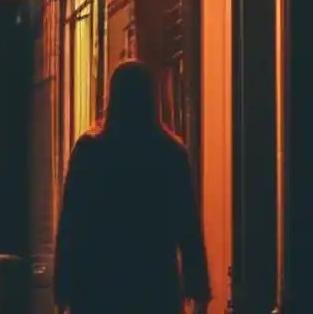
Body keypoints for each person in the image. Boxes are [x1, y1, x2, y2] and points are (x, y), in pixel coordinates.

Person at [53, 60, 210, 314]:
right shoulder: (170, 154)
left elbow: (71, 226)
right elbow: (188, 228)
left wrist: (63, 292)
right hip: (155, 289)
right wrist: (198, 291)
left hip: (98, 290)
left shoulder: (90, 152)